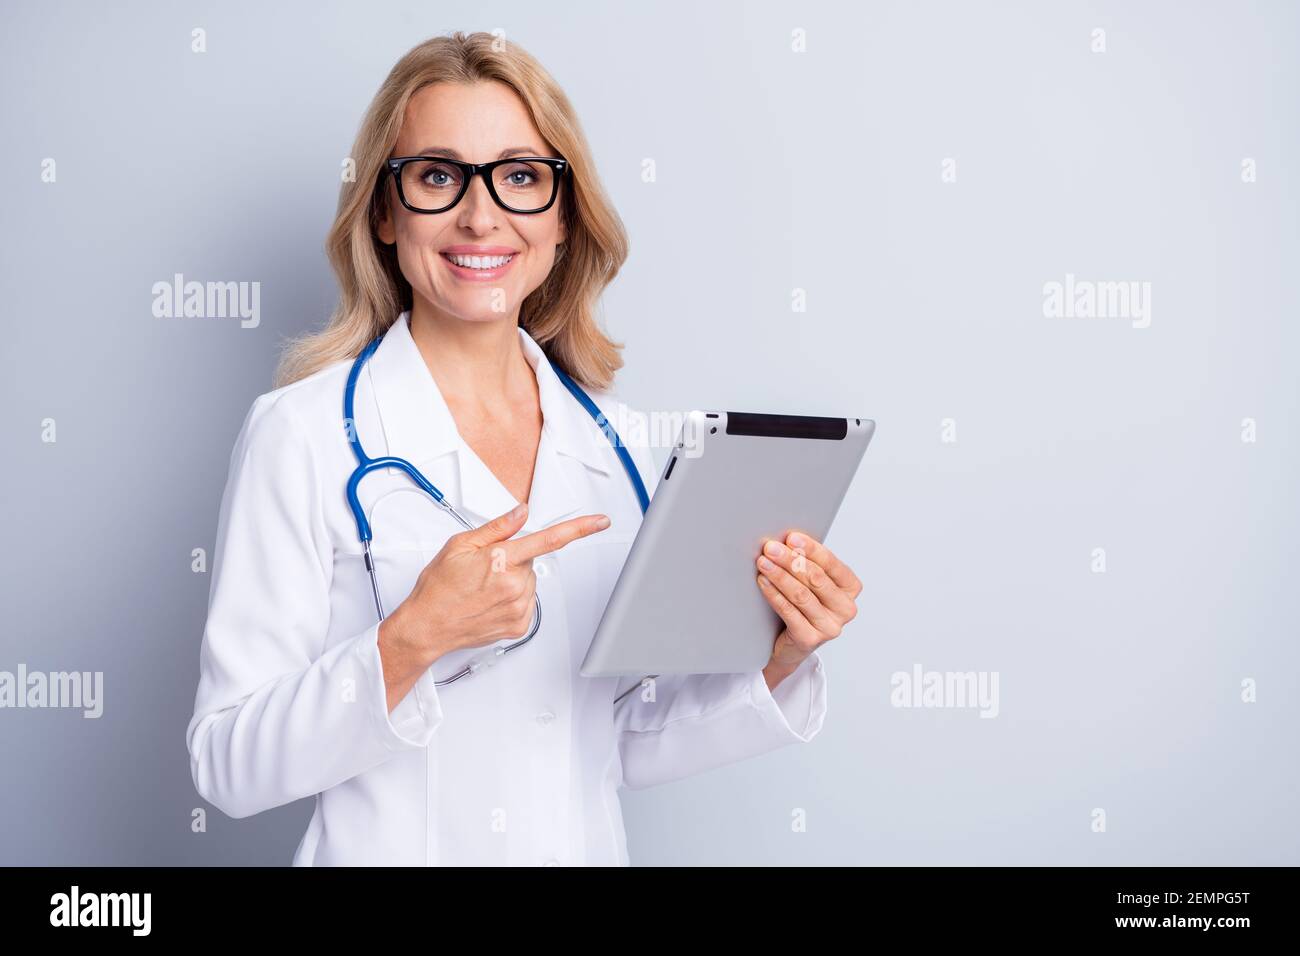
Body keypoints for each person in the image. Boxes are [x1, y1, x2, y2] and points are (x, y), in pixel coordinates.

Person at [185, 31, 862, 866]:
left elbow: (614, 737)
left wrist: (783, 654)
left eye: (520, 176)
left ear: (564, 217)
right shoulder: (302, 433)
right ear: (385, 213)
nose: (481, 214)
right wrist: (412, 639)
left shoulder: (621, 443)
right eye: (437, 176)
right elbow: (226, 763)